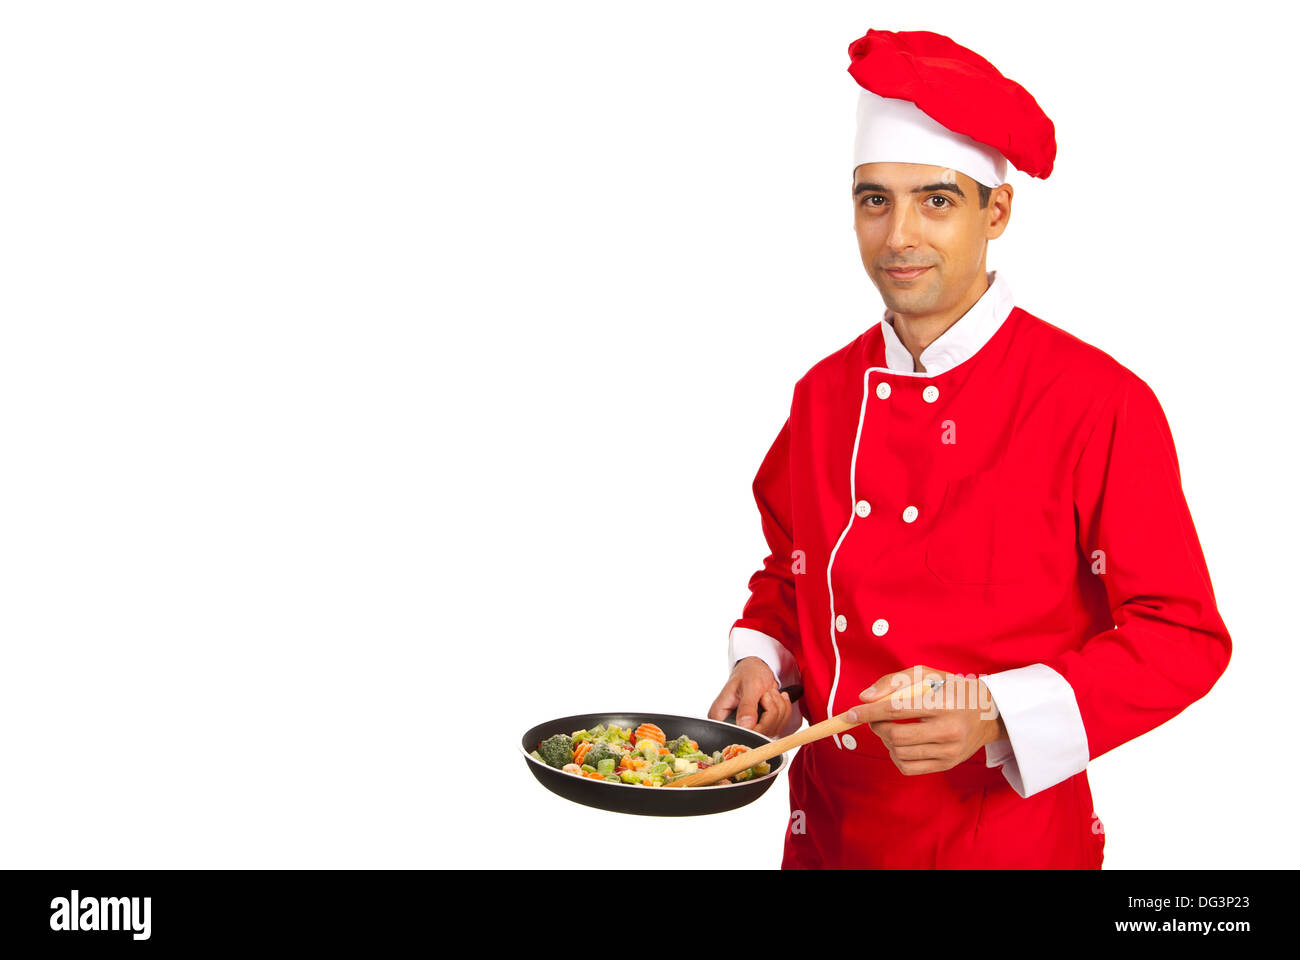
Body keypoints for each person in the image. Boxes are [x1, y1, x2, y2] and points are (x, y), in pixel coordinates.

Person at [707, 28, 1232, 869]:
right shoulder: (821, 396)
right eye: (873, 199)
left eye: (937, 200)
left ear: (998, 211)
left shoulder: (1097, 402)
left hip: (1007, 843)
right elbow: (792, 570)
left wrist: (996, 711)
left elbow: (1184, 635)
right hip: (831, 836)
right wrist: (765, 664)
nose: (898, 235)